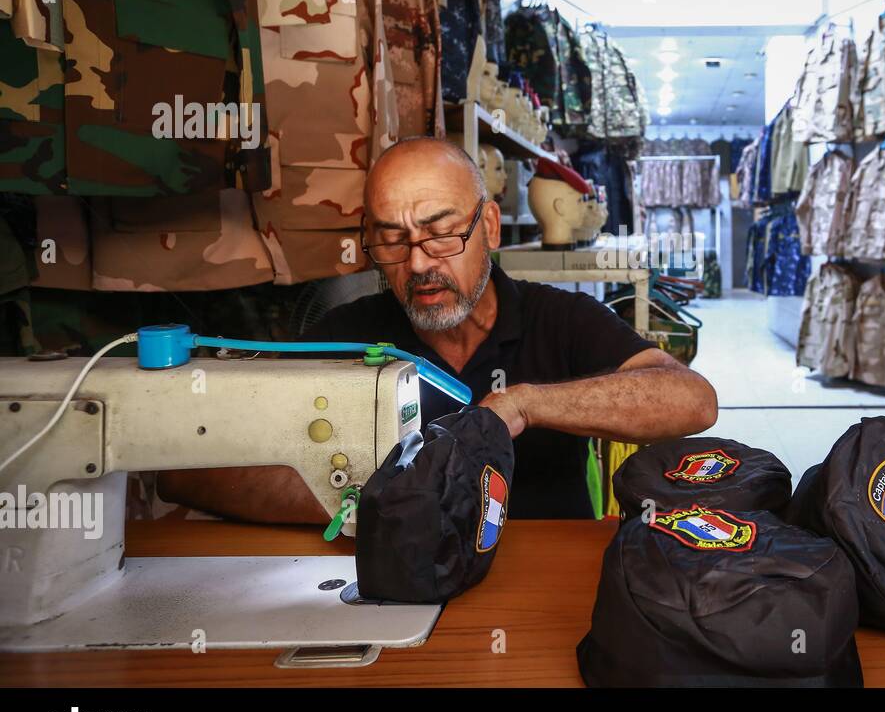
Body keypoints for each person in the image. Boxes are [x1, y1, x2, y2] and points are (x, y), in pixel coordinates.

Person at [158, 137, 719, 520]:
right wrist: (372, 499)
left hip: (541, 575)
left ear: (490, 227)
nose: (420, 263)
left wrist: (523, 405)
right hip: (399, 575)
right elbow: (191, 471)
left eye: (442, 232)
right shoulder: (344, 339)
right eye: (392, 239)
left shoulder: (559, 319)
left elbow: (691, 401)